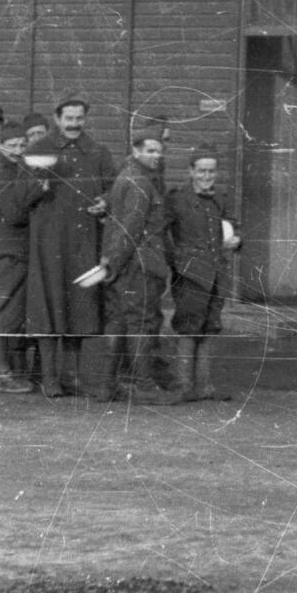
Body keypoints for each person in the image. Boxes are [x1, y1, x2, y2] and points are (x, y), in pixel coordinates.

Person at [25, 94, 120, 399]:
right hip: (49, 244)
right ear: (57, 118)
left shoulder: (98, 151)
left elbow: (114, 188)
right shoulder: (39, 150)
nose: (75, 124)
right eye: (69, 118)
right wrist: (36, 185)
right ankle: (50, 378)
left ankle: (72, 376)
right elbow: (20, 194)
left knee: (80, 305)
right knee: (49, 306)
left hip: (84, 243)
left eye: (80, 118)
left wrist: (105, 202)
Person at [94, 125, 183, 403]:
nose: (156, 155)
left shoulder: (128, 176)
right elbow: (131, 229)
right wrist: (116, 265)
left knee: (118, 322)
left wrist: (111, 265)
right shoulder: (141, 183)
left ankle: (108, 386)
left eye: (159, 150)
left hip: (125, 266)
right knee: (141, 325)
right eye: (150, 150)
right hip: (139, 266)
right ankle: (143, 385)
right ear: (136, 150)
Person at [0, 113, 48, 393]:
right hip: (7, 251)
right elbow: (14, 213)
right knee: (3, 312)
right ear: (1, 146)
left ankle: (1, 370)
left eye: (22, 145)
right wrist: (38, 190)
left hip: (16, 251)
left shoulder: (13, 169)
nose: (19, 151)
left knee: (11, 312)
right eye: (13, 146)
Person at [164, 148, 239, 401]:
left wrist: (237, 240)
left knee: (210, 325)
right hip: (191, 273)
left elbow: (232, 225)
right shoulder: (177, 198)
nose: (207, 176)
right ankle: (184, 386)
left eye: (211, 171)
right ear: (191, 172)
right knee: (188, 325)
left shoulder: (222, 196)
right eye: (202, 171)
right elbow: (163, 231)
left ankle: (205, 386)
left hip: (217, 271)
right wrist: (177, 260)